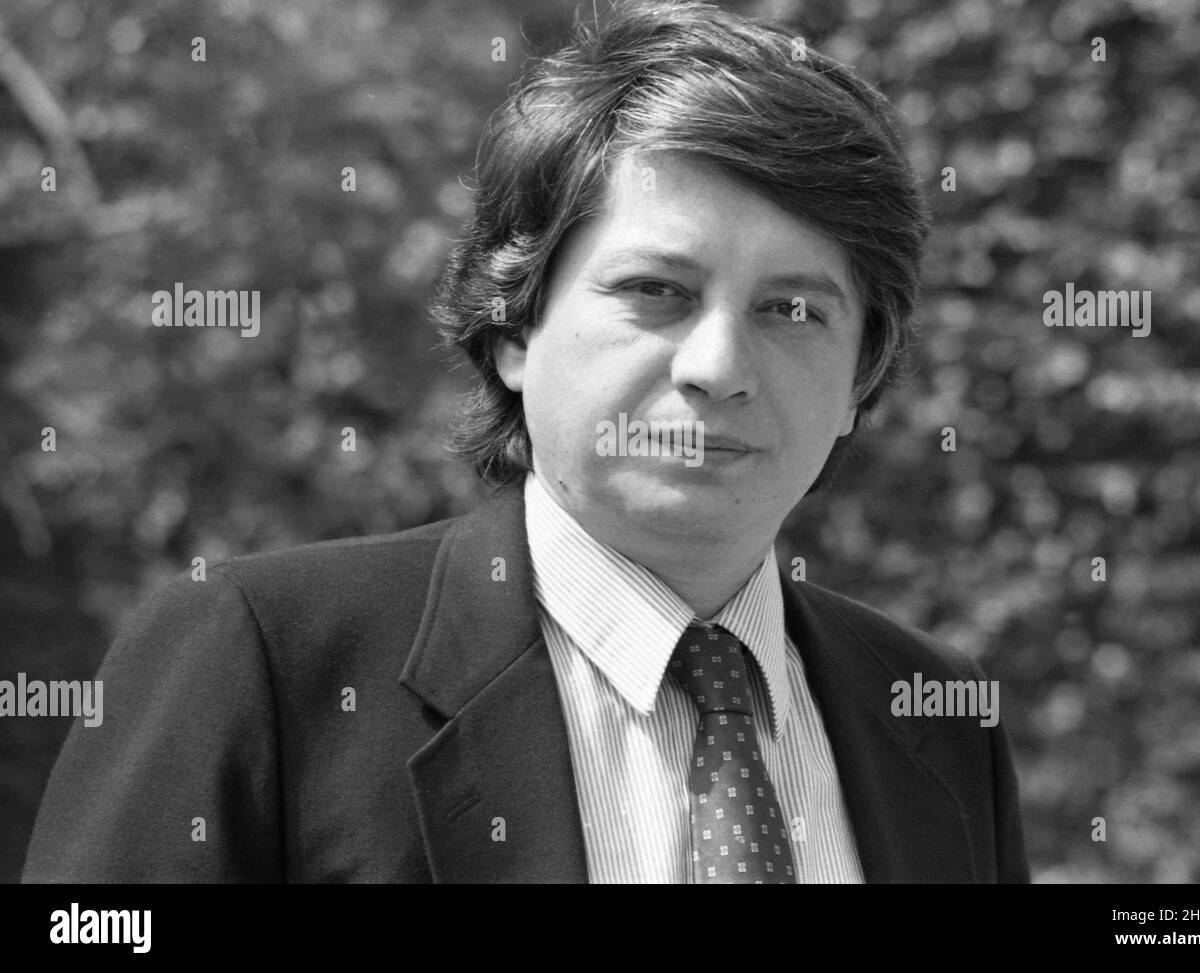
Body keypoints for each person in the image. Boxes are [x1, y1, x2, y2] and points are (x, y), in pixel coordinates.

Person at [23, 0, 1029, 883]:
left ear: (860, 378)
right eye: (655, 292)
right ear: (513, 328)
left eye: (793, 310)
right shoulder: (259, 660)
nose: (718, 365)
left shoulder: (933, 718)